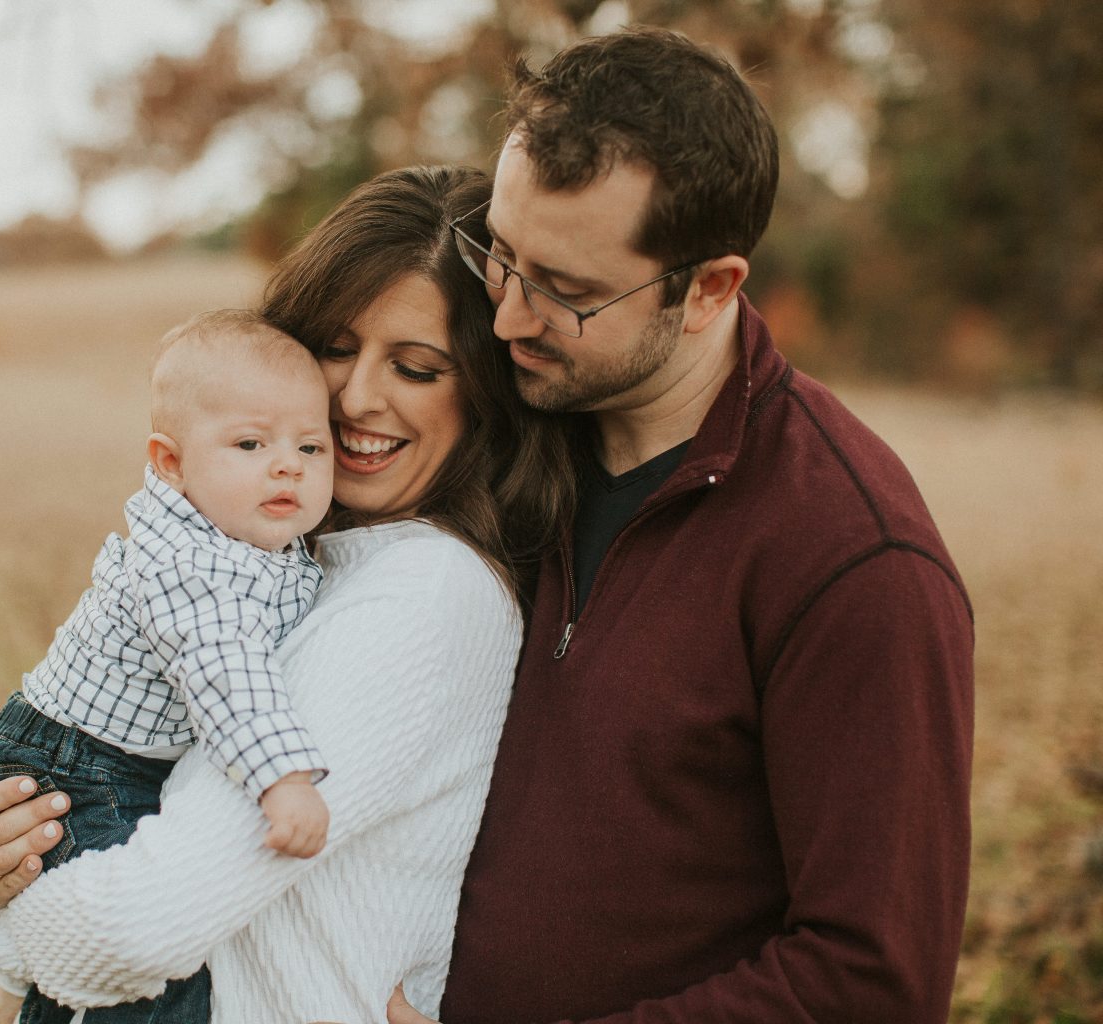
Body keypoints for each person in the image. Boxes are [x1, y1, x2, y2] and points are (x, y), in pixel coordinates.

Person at [389, 26, 976, 1024]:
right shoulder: (500, 431)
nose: (508, 316)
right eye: (502, 253)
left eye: (566, 291)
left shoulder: (853, 557)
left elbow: (872, 981)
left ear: (709, 289)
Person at [0, 165, 574, 1023]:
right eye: (334, 348)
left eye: (416, 368)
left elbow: (130, 929)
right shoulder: (289, 552)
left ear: (485, 392)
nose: (354, 399)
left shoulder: (426, 596)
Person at [0, 310, 338, 1023]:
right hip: (71, 764)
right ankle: (20, 964)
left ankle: (17, 963)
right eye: (250, 443)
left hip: (113, 761)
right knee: (155, 972)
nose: (288, 464)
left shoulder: (256, 538)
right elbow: (224, 670)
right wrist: (284, 780)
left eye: (311, 446)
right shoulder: (188, 562)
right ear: (171, 463)